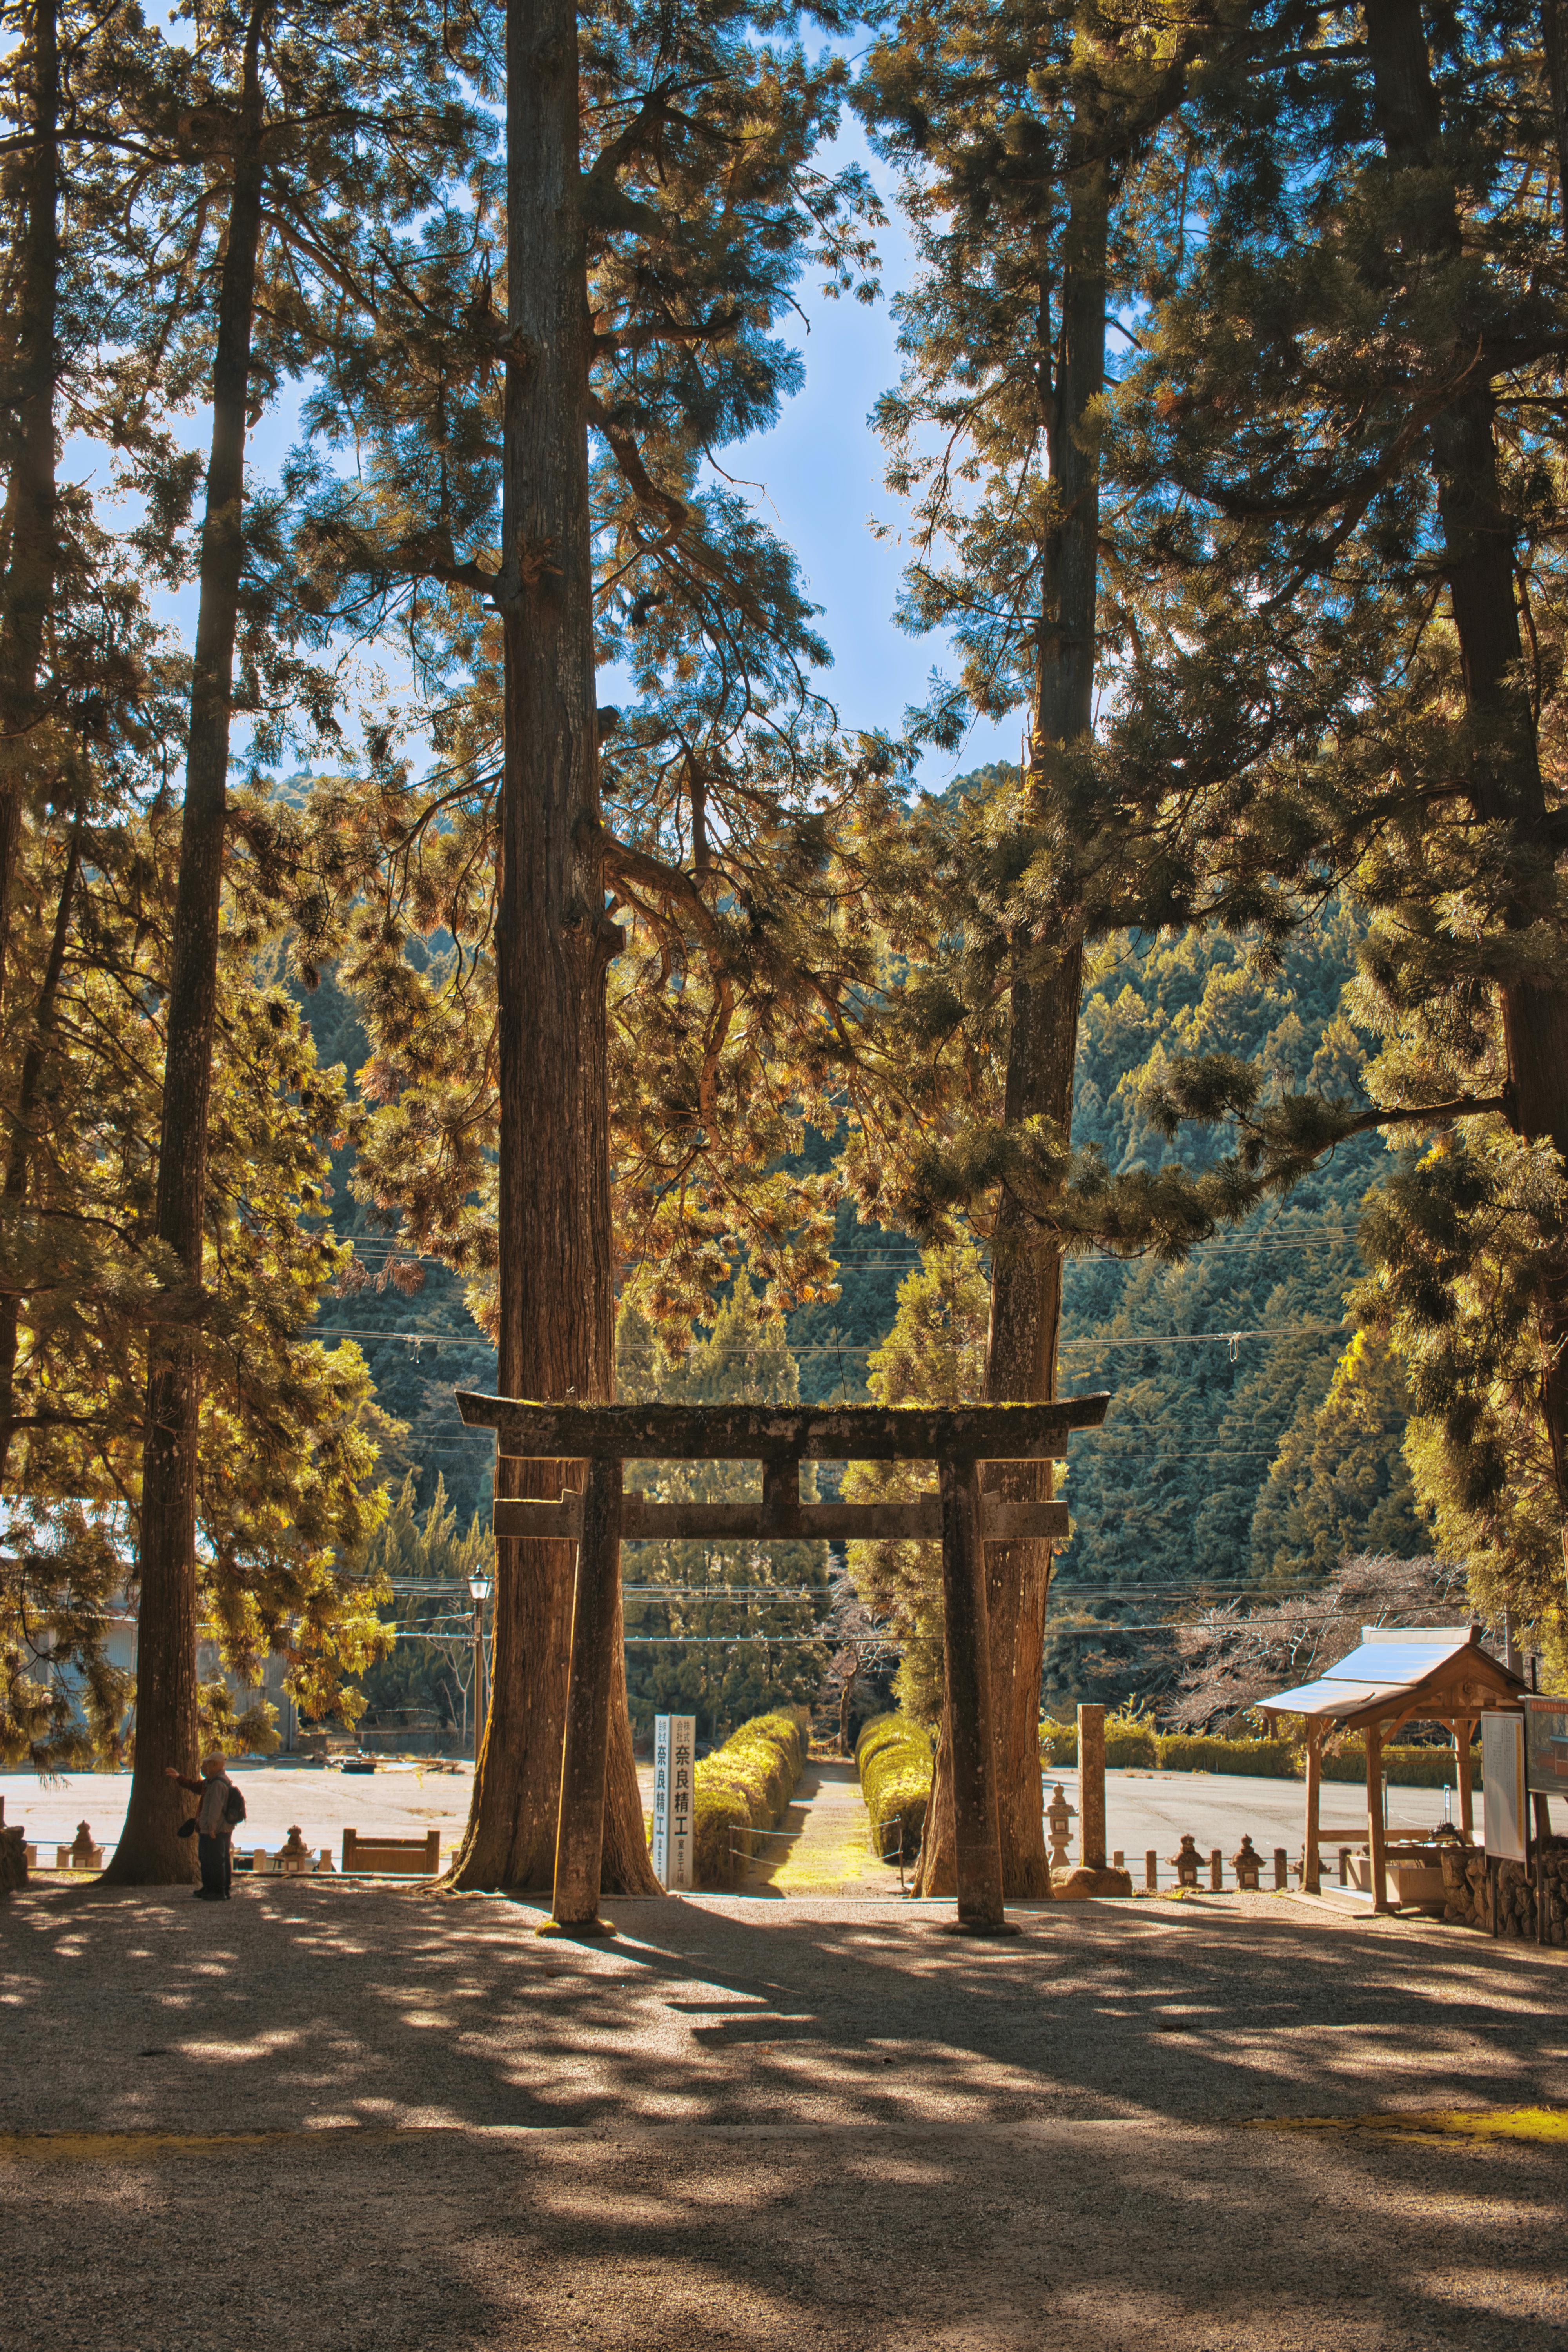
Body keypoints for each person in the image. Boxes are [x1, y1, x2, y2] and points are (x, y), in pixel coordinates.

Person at [165, 1755, 240, 1898]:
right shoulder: (211, 1782)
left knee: (215, 1859)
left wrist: (211, 1827)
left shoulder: (218, 1784)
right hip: (215, 1827)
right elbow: (196, 1787)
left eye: (207, 1765)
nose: (203, 1768)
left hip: (216, 1829)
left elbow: (215, 1808)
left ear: (216, 1765)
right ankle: (211, 1887)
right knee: (209, 1858)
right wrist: (179, 1777)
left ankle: (219, 1891)